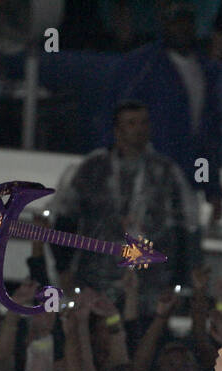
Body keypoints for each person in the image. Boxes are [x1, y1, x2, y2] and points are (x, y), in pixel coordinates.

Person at [50, 100, 194, 305]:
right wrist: (63, 268)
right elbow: (65, 220)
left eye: (144, 123)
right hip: (96, 279)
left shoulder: (166, 172)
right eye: (132, 123)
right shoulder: (93, 169)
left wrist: (177, 281)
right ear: (117, 131)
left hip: (150, 284)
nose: (140, 129)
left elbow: (182, 228)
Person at [107, 1, 222, 233]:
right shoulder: (141, 66)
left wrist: (212, 189)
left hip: (187, 186)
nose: (181, 27)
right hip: (144, 186)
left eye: (186, 21)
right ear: (163, 23)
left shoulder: (204, 71)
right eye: (174, 21)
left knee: (183, 250)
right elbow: (116, 122)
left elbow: (208, 137)